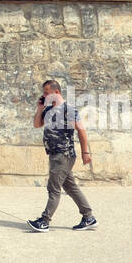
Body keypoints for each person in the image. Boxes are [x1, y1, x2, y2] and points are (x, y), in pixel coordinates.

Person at [27, 79, 96, 231]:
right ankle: (88, 217)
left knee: (53, 188)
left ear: (56, 92)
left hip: (63, 155)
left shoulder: (68, 109)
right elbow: (37, 124)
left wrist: (85, 153)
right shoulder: (48, 109)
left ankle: (44, 221)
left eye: (46, 92)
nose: (44, 95)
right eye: (43, 93)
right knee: (71, 187)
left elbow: (82, 131)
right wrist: (39, 108)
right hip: (54, 154)